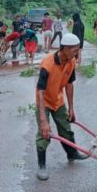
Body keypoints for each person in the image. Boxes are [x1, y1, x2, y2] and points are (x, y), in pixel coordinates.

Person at [35, 32, 89, 180]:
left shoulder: (71, 61)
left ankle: (72, 153)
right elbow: (40, 91)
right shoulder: (48, 64)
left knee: (66, 128)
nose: (76, 52)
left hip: (58, 100)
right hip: (44, 101)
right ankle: (42, 166)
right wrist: (43, 121)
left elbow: (69, 84)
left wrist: (71, 108)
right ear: (64, 48)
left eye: (77, 49)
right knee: (44, 134)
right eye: (74, 49)